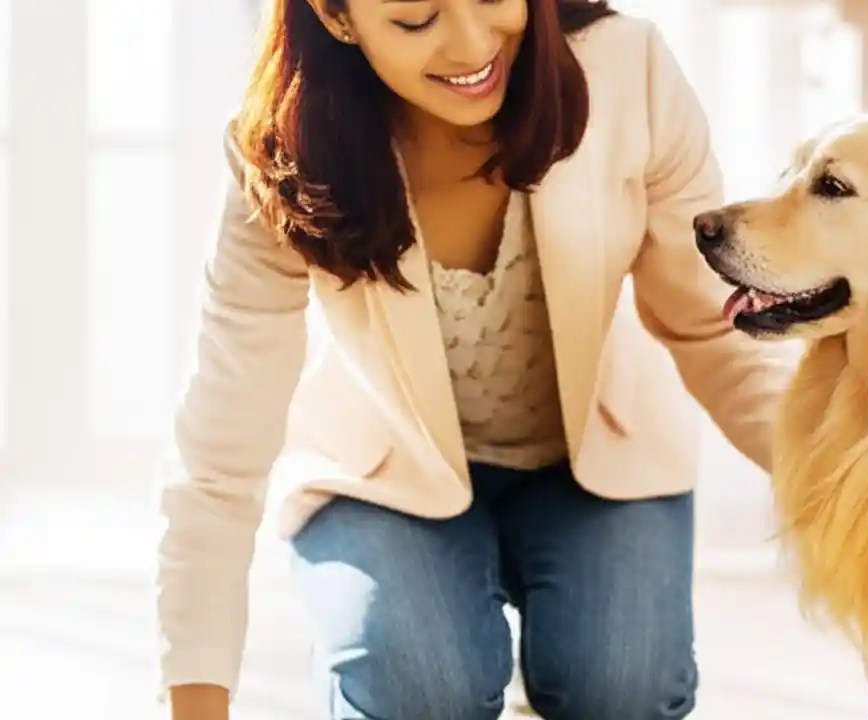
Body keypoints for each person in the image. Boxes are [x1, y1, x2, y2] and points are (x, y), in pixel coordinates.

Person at [155, 0, 794, 718]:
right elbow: (217, 458)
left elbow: (712, 328)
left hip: (591, 460)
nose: (472, 44)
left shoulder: (629, 69)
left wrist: (855, 479)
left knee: (623, 685)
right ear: (336, 17)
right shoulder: (278, 150)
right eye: (416, 19)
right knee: (420, 688)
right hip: (384, 473)